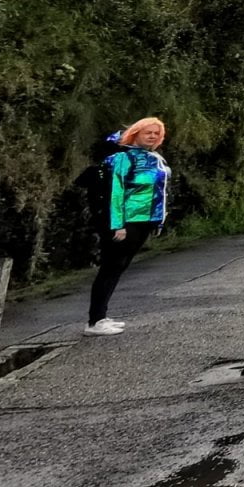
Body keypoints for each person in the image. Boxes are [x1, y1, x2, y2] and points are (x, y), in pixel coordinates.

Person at [85, 117, 170, 335]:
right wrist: (117, 225)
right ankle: (95, 321)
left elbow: (159, 192)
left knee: (118, 268)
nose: (152, 136)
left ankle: (101, 316)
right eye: (147, 132)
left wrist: (158, 220)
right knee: (111, 267)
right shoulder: (123, 158)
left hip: (143, 220)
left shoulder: (153, 158)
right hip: (126, 222)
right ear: (135, 134)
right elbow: (116, 192)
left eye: (155, 133)